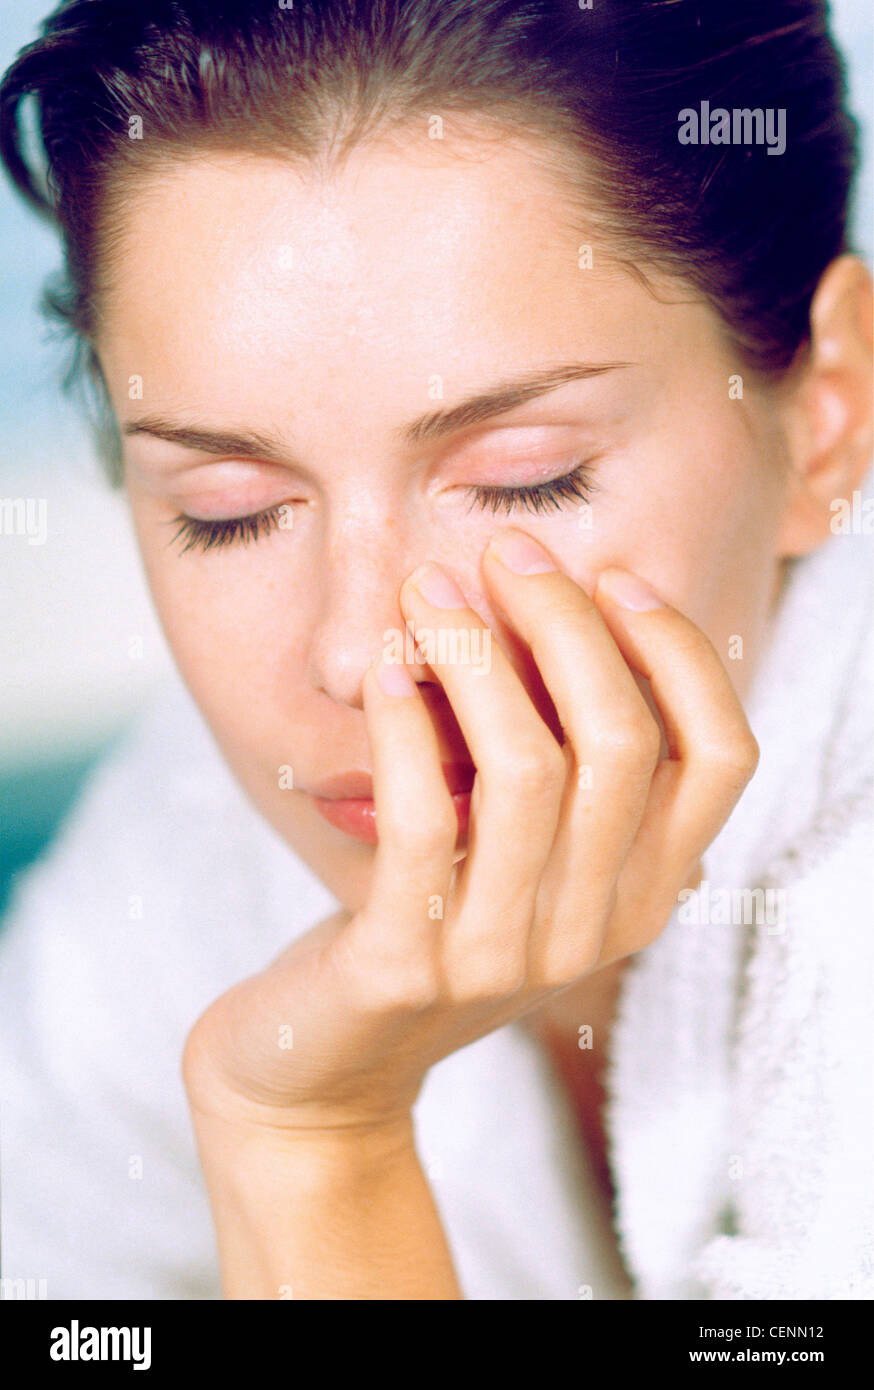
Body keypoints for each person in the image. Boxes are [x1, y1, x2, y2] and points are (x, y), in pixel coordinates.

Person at [0, 0, 871, 1300]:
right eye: (226, 511)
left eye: (525, 481)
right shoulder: (191, 841)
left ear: (824, 420)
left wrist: (310, 1142)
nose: (357, 652)